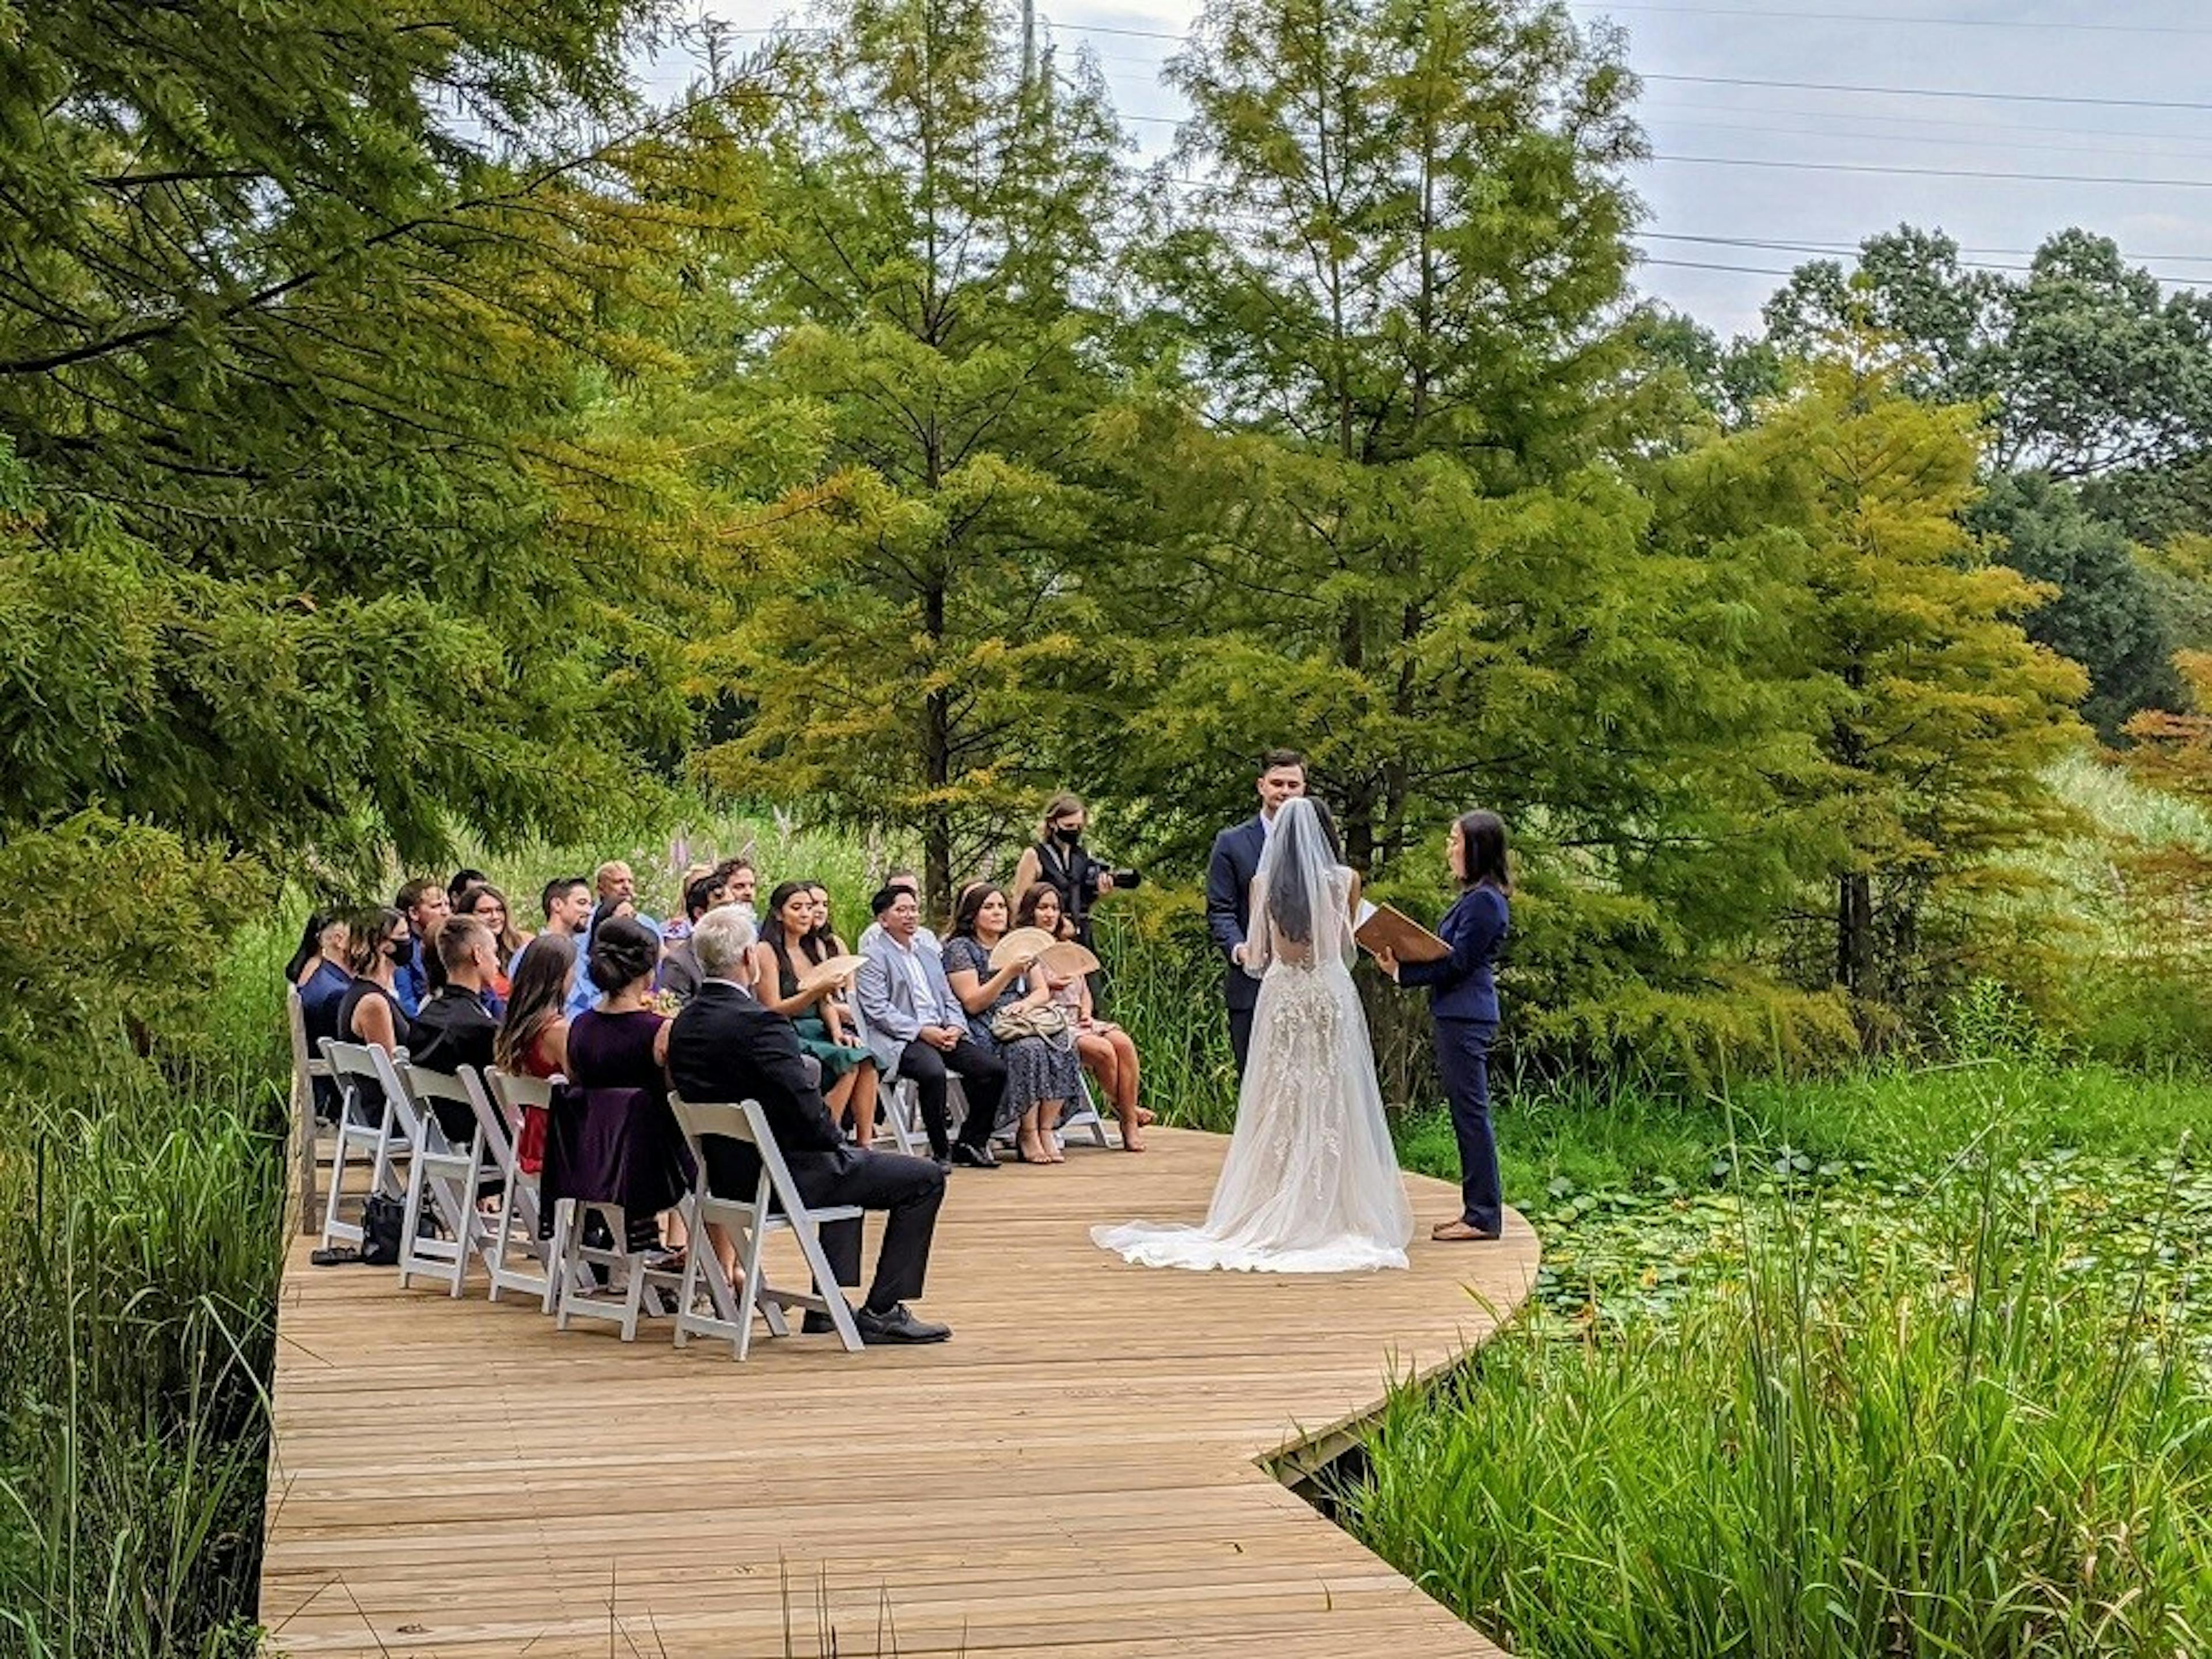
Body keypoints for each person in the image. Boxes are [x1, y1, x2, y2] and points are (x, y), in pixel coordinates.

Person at [1095, 797, 1413, 1272]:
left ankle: (1276, 1196)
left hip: (1283, 994)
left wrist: (1262, 956)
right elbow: (1345, 947)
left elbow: (1260, 954)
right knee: (1331, 1092)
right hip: (1328, 992)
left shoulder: (1263, 883)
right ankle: (1334, 1203)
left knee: (1279, 1093)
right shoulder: (1345, 880)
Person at [666, 907, 952, 1344]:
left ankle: (828, 1305)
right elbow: (803, 1108)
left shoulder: (685, 1023)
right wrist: (835, 1141)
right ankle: (883, 1310)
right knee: (925, 1179)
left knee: (851, 1164)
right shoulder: (761, 1024)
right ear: (750, 958)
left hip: (724, 1177)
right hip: (780, 1177)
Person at [1374, 810, 1513, 1244]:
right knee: (1465, 1111)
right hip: (1457, 1012)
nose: (1449, 850)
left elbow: (1458, 962)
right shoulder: (1474, 897)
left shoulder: (1487, 901)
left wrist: (1403, 974)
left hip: (1466, 1014)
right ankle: (1477, 1210)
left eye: (1455, 841)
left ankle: (1483, 1215)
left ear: (1477, 848)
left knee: (1471, 1113)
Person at [541, 916, 687, 1256]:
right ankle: (711, 1266)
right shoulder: (660, 1031)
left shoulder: (578, 1027)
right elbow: (675, 1095)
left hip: (590, 1159)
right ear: (648, 972)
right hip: (652, 1168)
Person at [856, 885, 1009, 1169]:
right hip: (903, 1037)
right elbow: (877, 1010)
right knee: (932, 1072)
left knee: (993, 1070)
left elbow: (948, 997)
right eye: (901, 910)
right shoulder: (873, 956)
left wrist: (956, 1027)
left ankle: (971, 1141)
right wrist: (921, 1031)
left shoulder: (927, 953)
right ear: (883, 919)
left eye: (913, 909)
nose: (910, 916)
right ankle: (940, 1152)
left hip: (942, 1031)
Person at [942, 884, 1080, 1166]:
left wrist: (1025, 1005)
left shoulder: (1019, 942)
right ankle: (1026, 1132)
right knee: (1027, 1049)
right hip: (986, 1020)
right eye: (989, 907)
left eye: (1001, 907)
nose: (997, 913)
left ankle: (1046, 1129)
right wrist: (1008, 972)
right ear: (973, 913)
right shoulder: (961, 948)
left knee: (1064, 1042)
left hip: (1021, 1013)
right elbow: (972, 1002)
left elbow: (1041, 990)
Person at [1019, 883, 1149, 1152]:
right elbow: (1028, 993)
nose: (1049, 914)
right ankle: (1128, 1113)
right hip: (1050, 1021)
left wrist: (1086, 1013)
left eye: (1054, 908)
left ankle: (1128, 1118)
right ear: (1031, 911)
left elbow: (1084, 990)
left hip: (1078, 1016)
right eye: (1043, 908)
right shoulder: (1023, 950)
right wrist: (1051, 986)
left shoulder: (1066, 946)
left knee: (1123, 1043)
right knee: (1103, 1051)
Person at [751, 881, 881, 1147]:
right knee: (847, 1064)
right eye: (796, 908)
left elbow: (826, 1001)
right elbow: (772, 1007)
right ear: (778, 913)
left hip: (819, 1026)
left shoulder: (815, 948)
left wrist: (837, 1032)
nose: (805, 914)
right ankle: (824, 1137)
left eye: (808, 908)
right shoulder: (767, 951)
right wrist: (813, 994)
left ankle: (865, 1143)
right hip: (787, 1030)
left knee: (865, 1058)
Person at [1206, 750, 1309, 1078]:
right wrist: (1241, 949)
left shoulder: (1315, 845)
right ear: (1261, 786)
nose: (1285, 791)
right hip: (1251, 985)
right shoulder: (1232, 843)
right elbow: (1220, 909)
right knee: (1256, 1080)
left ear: (1304, 789)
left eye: (1293, 784)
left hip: (1304, 984)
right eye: (1277, 783)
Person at [495, 932, 577, 1177]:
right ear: (560, 977)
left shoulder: (511, 1028)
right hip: (562, 1145)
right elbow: (581, 1085)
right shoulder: (557, 1032)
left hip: (531, 1142)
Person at [1010, 793, 1126, 956]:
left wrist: (1099, 892)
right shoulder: (1035, 855)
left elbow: (1083, 900)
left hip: (1081, 936)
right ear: (1052, 823)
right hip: (1047, 938)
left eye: (1079, 827)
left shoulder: (1081, 856)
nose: (1074, 831)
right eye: (1069, 826)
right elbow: (1019, 901)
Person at [656, 873, 721, 1005]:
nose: (733, 915)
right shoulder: (679, 963)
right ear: (700, 914)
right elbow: (678, 1017)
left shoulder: (742, 955)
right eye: (723, 908)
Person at [391, 878, 452, 1016]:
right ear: (414, 913)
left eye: (447, 904)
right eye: (436, 906)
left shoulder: (454, 943)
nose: (445, 912)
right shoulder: (405, 951)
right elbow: (406, 1002)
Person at [456, 882, 528, 995]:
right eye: (485, 911)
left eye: (499, 910)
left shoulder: (519, 947)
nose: (495, 917)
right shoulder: (460, 953)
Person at [857, 868, 940, 958]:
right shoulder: (873, 935)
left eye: (912, 893)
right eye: (898, 892)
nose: (907, 897)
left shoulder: (927, 937)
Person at [593, 859, 661, 937]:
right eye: (619, 882)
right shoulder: (586, 920)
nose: (627, 887)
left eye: (630, 882)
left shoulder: (647, 924)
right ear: (601, 889)